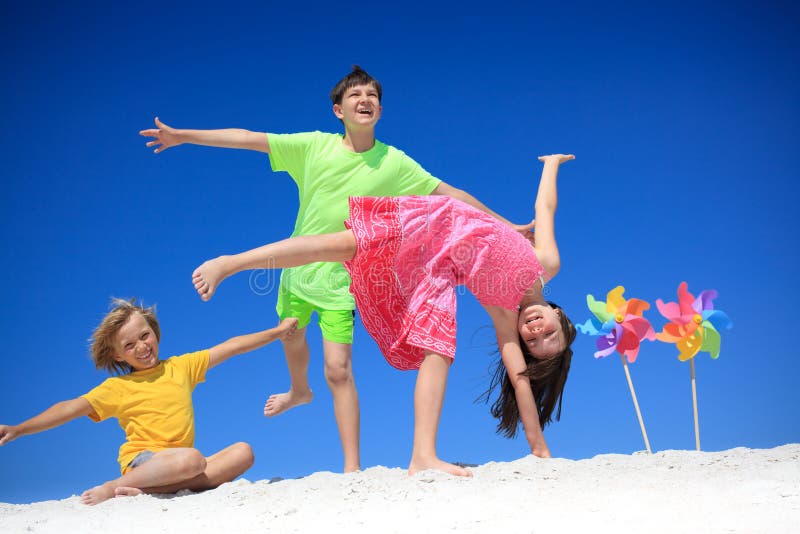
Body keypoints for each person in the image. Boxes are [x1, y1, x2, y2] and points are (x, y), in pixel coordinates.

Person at [139, 65, 531, 473]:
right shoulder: (314, 147)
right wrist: (182, 136)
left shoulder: (394, 163)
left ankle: (351, 468)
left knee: (338, 369)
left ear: (380, 110)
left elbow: (452, 195)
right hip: (296, 268)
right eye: (355, 95)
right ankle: (298, 390)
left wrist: (509, 226)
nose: (365, 100)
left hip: (343, 281)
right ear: (337, 110)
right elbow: (247, 138)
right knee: (291, 335)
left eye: (373, 96)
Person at [191, 154, 577, 477]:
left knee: (438, 344)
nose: (536, 333)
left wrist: (538, 447)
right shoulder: (547, 263)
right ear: (560, 317)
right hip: (436, 219)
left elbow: (520, 379)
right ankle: (232, 263)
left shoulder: (505, 320)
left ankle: (422, 456)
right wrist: (552, 164)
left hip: (439, 267)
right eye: (550, 334)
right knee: (336, 245)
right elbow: (545, 208)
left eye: (535, 344)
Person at [0, 299, 297, 505]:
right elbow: (69, 408)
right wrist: (19, 429)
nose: (142, 347)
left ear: (154, 331)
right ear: (118, 355)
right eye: (129, 345)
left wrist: (277, 332)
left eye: (145, 336)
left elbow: (230, 347)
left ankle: (153, 490)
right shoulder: (118, 387)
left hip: (181, 464)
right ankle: (114, 488)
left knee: (243, 452)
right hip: (144, 462)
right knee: (192, 459)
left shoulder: (181, 367)